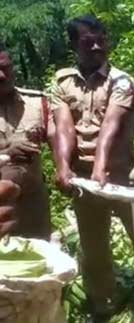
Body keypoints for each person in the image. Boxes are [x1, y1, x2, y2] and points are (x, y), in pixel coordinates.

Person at [51, 15, 134, 323]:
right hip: (83, 179)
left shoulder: (122, 81)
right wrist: (62, 166)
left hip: (120, 176)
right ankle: (104, 305)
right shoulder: (62, 83)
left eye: (101, 38)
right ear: (74, 45)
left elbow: (111, 128)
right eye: (87, 40)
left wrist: (102, 167)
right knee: (94, 248)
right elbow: (63, 128)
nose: (96, 45)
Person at [0, 43, 52, 240]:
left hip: (33, 205)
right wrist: (7, 153)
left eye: (5, 68)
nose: (1, 75)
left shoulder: (38, 103)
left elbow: (60, 144)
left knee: (38, 260)